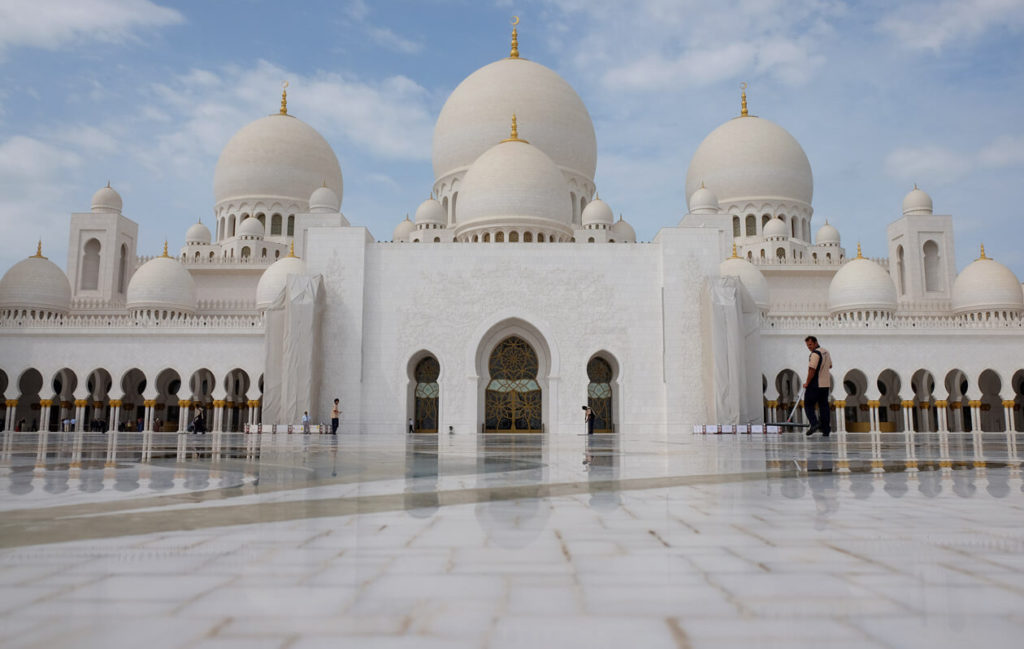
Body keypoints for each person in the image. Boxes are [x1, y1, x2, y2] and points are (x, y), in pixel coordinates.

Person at [802, 335, 833, 437]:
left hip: (815, 384)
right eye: (807, 345)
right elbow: (830, 365)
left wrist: (807, 382)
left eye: (810, 345)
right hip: (825, 385)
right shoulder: (826, 352)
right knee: (824, 406)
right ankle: (826, 429)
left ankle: (814, 423)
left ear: (815, 343)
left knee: (808, 404)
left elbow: (812, 370)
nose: (809, 347)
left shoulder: (815, 354)